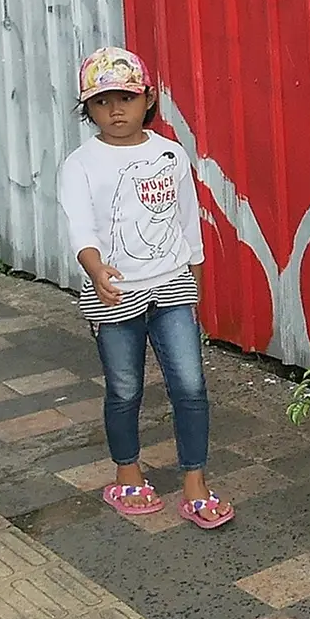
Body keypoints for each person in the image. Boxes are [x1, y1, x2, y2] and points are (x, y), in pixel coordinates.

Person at [59, 47, 233, 529]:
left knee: (191, 386)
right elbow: (81, 229)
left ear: (148, 99)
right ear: (87, 108)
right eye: (101, 101)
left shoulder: (169, 153)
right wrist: (96, 271)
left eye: (126, 98)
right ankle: (128, 473)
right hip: (112, 292)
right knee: (124, 387)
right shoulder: (80, 164)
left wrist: (194, 278)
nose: (116, 111)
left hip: (173, 286)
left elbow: (186, 221)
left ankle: (195, 482)